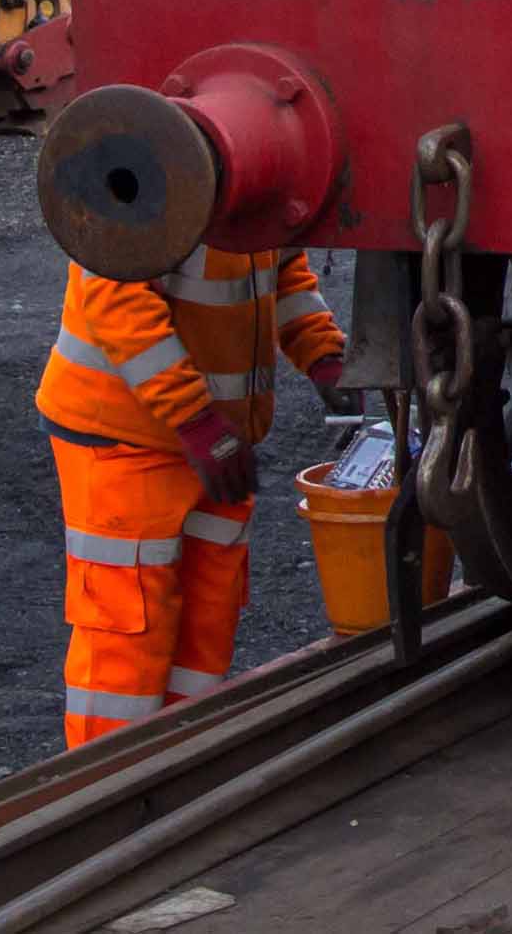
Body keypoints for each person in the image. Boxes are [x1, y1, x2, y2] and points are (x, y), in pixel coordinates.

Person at [33, 243, 351, 744]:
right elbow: (117, 300)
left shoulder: (257, 195)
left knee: (207, 621)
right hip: (127, 435)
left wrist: (322, 353)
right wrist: (195, 420)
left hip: (212, 438)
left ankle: (181, 759)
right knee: (128, 637)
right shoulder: (140, 192)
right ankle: (109, 780)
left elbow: (282, 267)